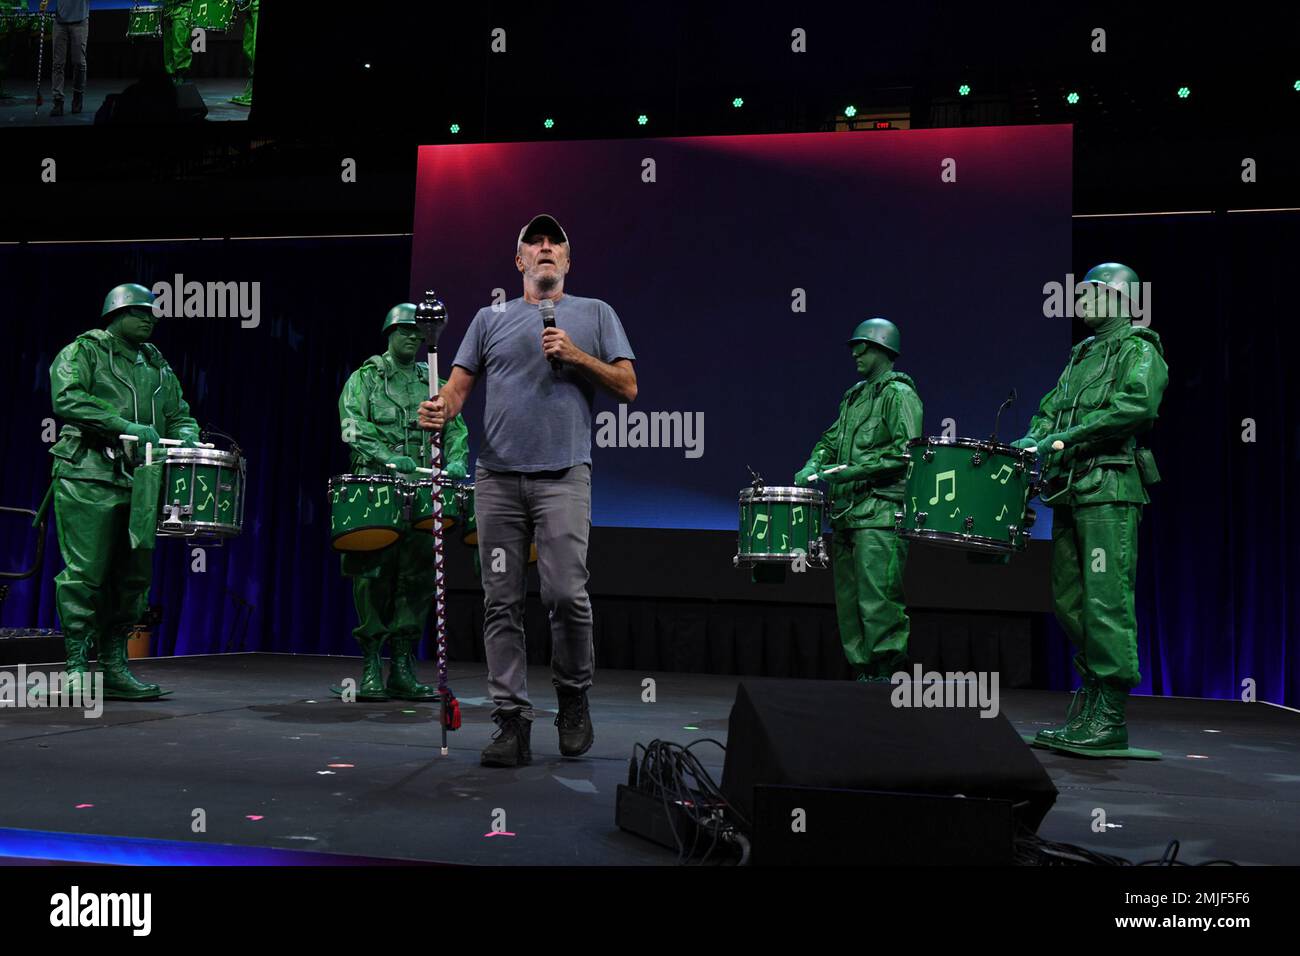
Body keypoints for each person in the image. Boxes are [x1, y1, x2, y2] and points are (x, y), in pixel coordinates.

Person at [418, 214, 637, 768]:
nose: (544, 249)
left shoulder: (596, 314)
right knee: (501, 600)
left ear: (567, 261)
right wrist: (440, 408)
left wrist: (577, 356)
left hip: (563, 476)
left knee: (566, 595)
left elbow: (628, 386)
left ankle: (572, 696)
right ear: (519, 262)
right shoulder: (489, 318)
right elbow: (458, 389)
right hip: (498, 481)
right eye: (533, 244)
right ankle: (511, 720)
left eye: (554, 244)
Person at [1012, 262, 1168, 757]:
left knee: (1106, 600)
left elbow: (1136, 408)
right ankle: (1092, 695)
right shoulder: (1081, 356)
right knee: (1068, 600)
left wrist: (1064, 437)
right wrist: (1034, 438)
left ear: (1119, 298)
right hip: (1072, 490)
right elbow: (1049, 409)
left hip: (1110, 486)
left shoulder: (1139, 350)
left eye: (1089, 293)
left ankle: (1110, 713)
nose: (1079, 301)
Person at [48, 283, 200, 699]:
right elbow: (68, 399)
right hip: (88, 473)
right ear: (115, 313)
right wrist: (124, 426)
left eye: (152, 311)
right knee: (86, 573)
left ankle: (114, 665)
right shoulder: (84, 352)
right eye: (139, 311)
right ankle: (77, 665)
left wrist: (188, 435)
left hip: (142, 480)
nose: (149, 317)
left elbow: (178, 414)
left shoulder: (157, 364)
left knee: (134, 578)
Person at [337, 303, 469, 701]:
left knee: (417, 578)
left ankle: (404, 666)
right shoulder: (366, 379)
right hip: (375, 489)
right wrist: (388, 456)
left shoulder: (434, 381)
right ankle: (372, 666)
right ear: (389, 333)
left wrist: (459, 457)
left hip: (423, 491)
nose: (414, 337)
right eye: (406, 331)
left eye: (419, 332)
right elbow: (352, 426)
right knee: (372, 575)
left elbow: (455, 426)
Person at [795, 319, 923, 682]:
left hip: (881, 513)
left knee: (878, 601)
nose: (855, 353)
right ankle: (863, 674)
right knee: (849, 605)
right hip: (848, 514)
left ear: (883, 349)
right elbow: (830, 440)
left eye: (863, 346)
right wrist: (814, 463)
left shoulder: (898, 394)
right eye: (855, 346)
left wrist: (845, 472)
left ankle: (886, 676)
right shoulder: (854, 396)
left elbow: (906, 454)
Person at [38, 0, 87, 117]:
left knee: (79, 62)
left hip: (80, 19)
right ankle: (58, 101)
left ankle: (78, 95)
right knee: (58, 63)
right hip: (60, 20)